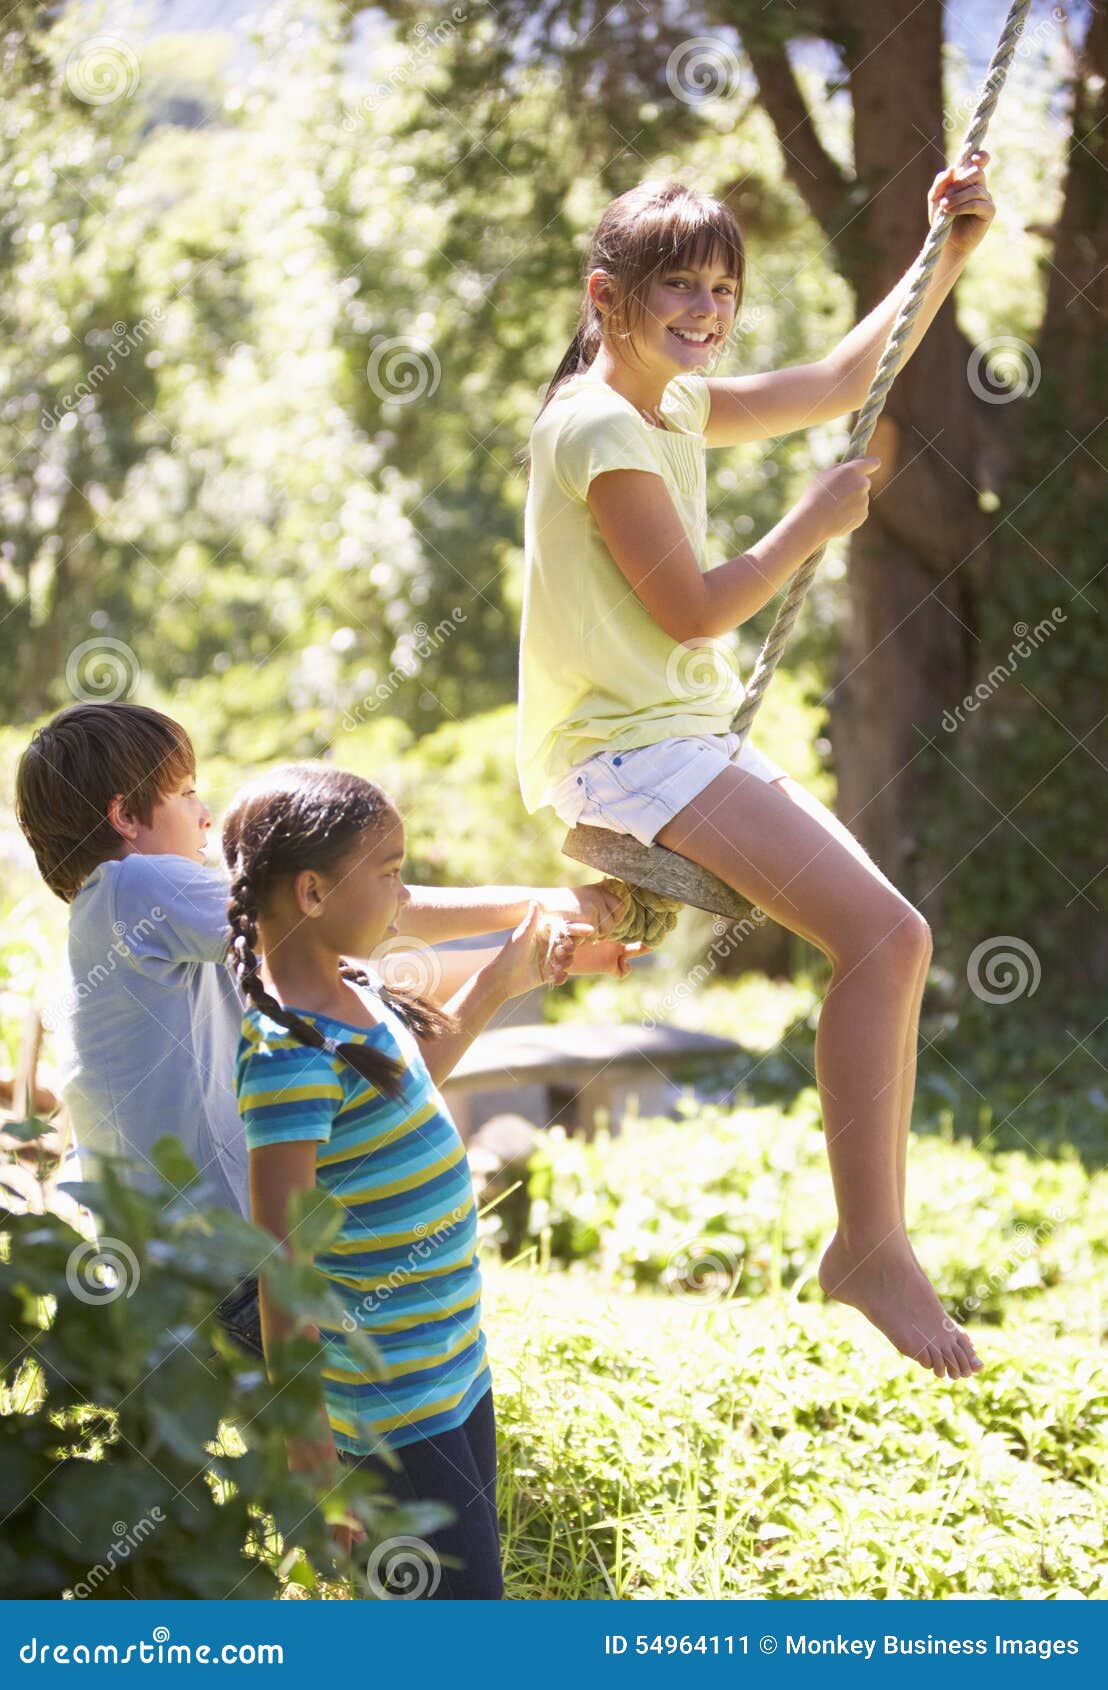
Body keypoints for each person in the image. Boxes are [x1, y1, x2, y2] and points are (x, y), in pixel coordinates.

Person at [517, 156, 996, 1380]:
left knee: (895, 941)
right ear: (604, 296)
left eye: (723, 288)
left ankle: (871, 1241)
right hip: (629, 748)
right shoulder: (598, 427)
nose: (707, 310)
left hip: (676, 739)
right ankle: (868, 1247)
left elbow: (841, 379)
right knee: (885, 942)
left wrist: (944, 248)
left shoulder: (670, 403)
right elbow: (689, 610)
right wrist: (809, 524)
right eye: (678, 285)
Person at [14, 702, 634, 1357]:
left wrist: (528, 955)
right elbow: (373, 909)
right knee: (359, 1426)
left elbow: (379, 999)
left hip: (185, 1267)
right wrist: (557, 901)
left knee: (297, 1437)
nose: (204, 815)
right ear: (126, 817)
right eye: (186, 793)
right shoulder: (128, 888)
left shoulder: (166, 938)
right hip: (204, 1267)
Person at [225, 761, 590, 1599]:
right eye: (390, 875)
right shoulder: (288, 1054)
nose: (402, 895)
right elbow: (282, 1261)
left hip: (452, 1362)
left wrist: (508, 973)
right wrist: (307, 1443)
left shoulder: (355, 989)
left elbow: (408, 1074)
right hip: (387, 1405)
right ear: (312, 893)